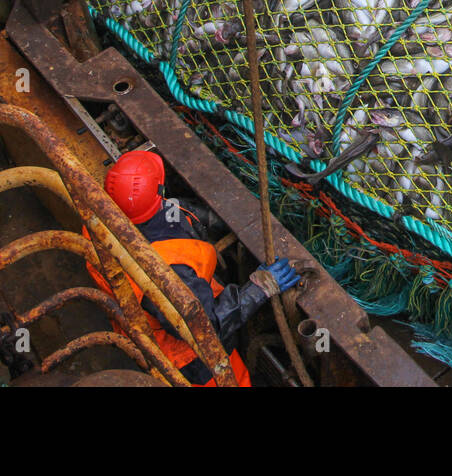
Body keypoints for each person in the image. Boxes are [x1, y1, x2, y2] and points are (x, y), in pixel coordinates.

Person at [92, 149, 300, 386]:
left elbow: (173, 210)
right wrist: (260, 287)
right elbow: (206, 328)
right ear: (159, 193)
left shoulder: (100, 221)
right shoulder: (168, 270)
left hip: (137, 318)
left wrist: (224, 217)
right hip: (192, 362)